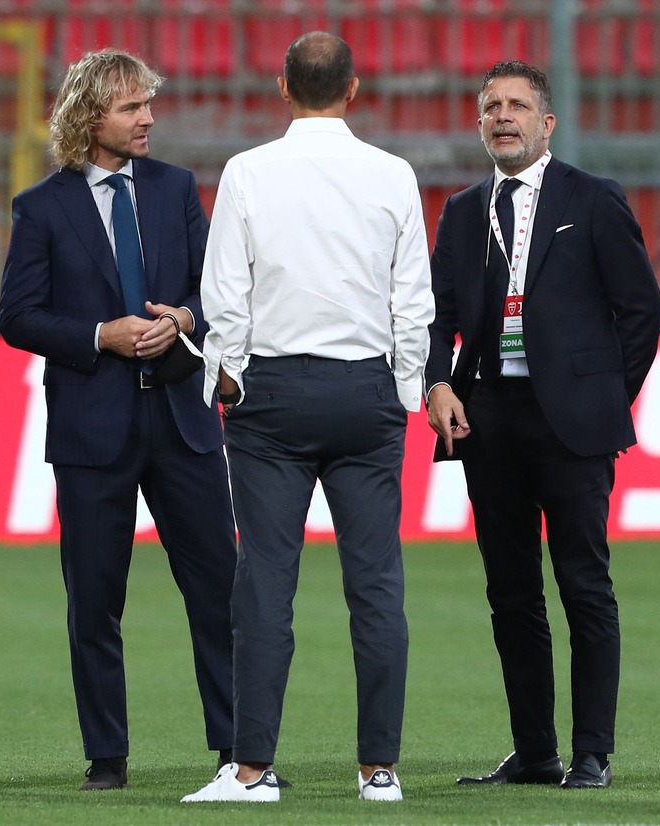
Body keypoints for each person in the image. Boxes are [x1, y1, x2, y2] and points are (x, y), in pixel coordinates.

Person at [181, 31, 433, 804]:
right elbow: (414, 299)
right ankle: (379, 770)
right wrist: (404, 393)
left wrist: (225, 378)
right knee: (376, 584)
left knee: (264, 584)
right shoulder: (393, 174)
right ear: (353, 89)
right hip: (366, 393)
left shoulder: (249, 172)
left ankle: (251, 770)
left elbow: (224, 289)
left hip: (274, 397)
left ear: (283, 89)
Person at [0, 49, 237, 791]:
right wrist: (100, 335)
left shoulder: (174, 188)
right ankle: (107, 758)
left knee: (220, 592)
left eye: (148, 105)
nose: (148, 119)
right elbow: (19, 316)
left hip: (182, 421)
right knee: (96, 601)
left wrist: (186, 316)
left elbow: (213, 284)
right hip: (92, 428)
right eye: (132, 107)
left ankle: (239, 751)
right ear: (89, 115)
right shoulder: (40, 206)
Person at [424, 61, 660, 790]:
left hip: (571, 428)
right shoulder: (463, 211)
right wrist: (437, 381)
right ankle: (534, 752)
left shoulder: (593, 199)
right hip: (489, 420)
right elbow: (437, 316)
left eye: (518, 106)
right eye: (492, 105)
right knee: (511, 592)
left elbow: (641, 312)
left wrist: (599, 397)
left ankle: (592, 751)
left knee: (584, 586)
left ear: (546, 123)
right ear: (479, 122)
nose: (504, 116)